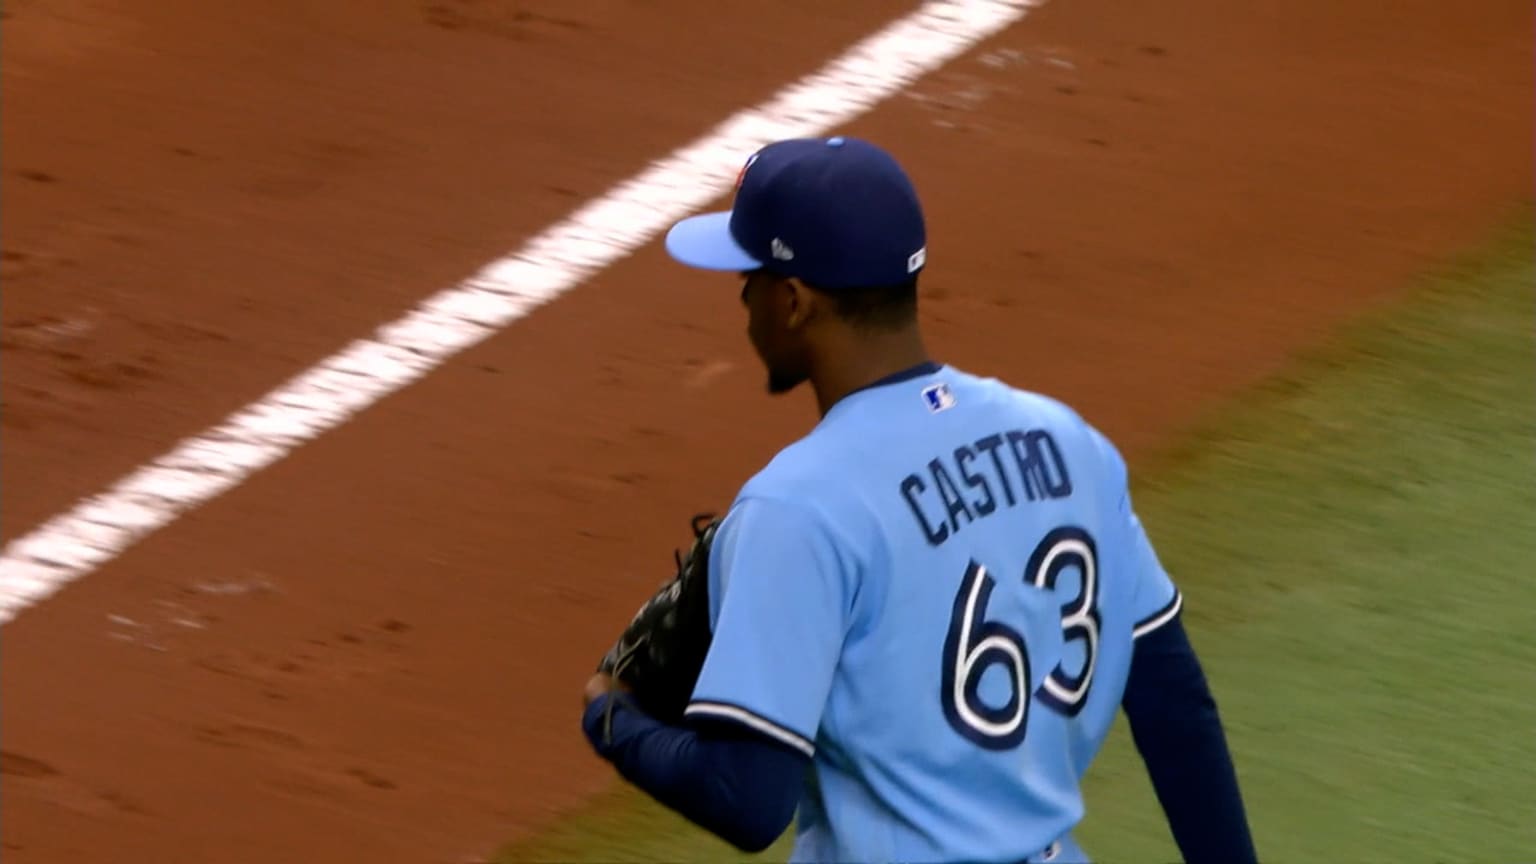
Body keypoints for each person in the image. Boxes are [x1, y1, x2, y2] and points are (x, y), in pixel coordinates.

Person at [580, 135, 1258, 864]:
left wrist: (611, 718)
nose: (742, 301)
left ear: (793, 301)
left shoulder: (797, 508)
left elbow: (747, 799)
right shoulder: (1067, 441)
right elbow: (1172, 701)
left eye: (748, 279)